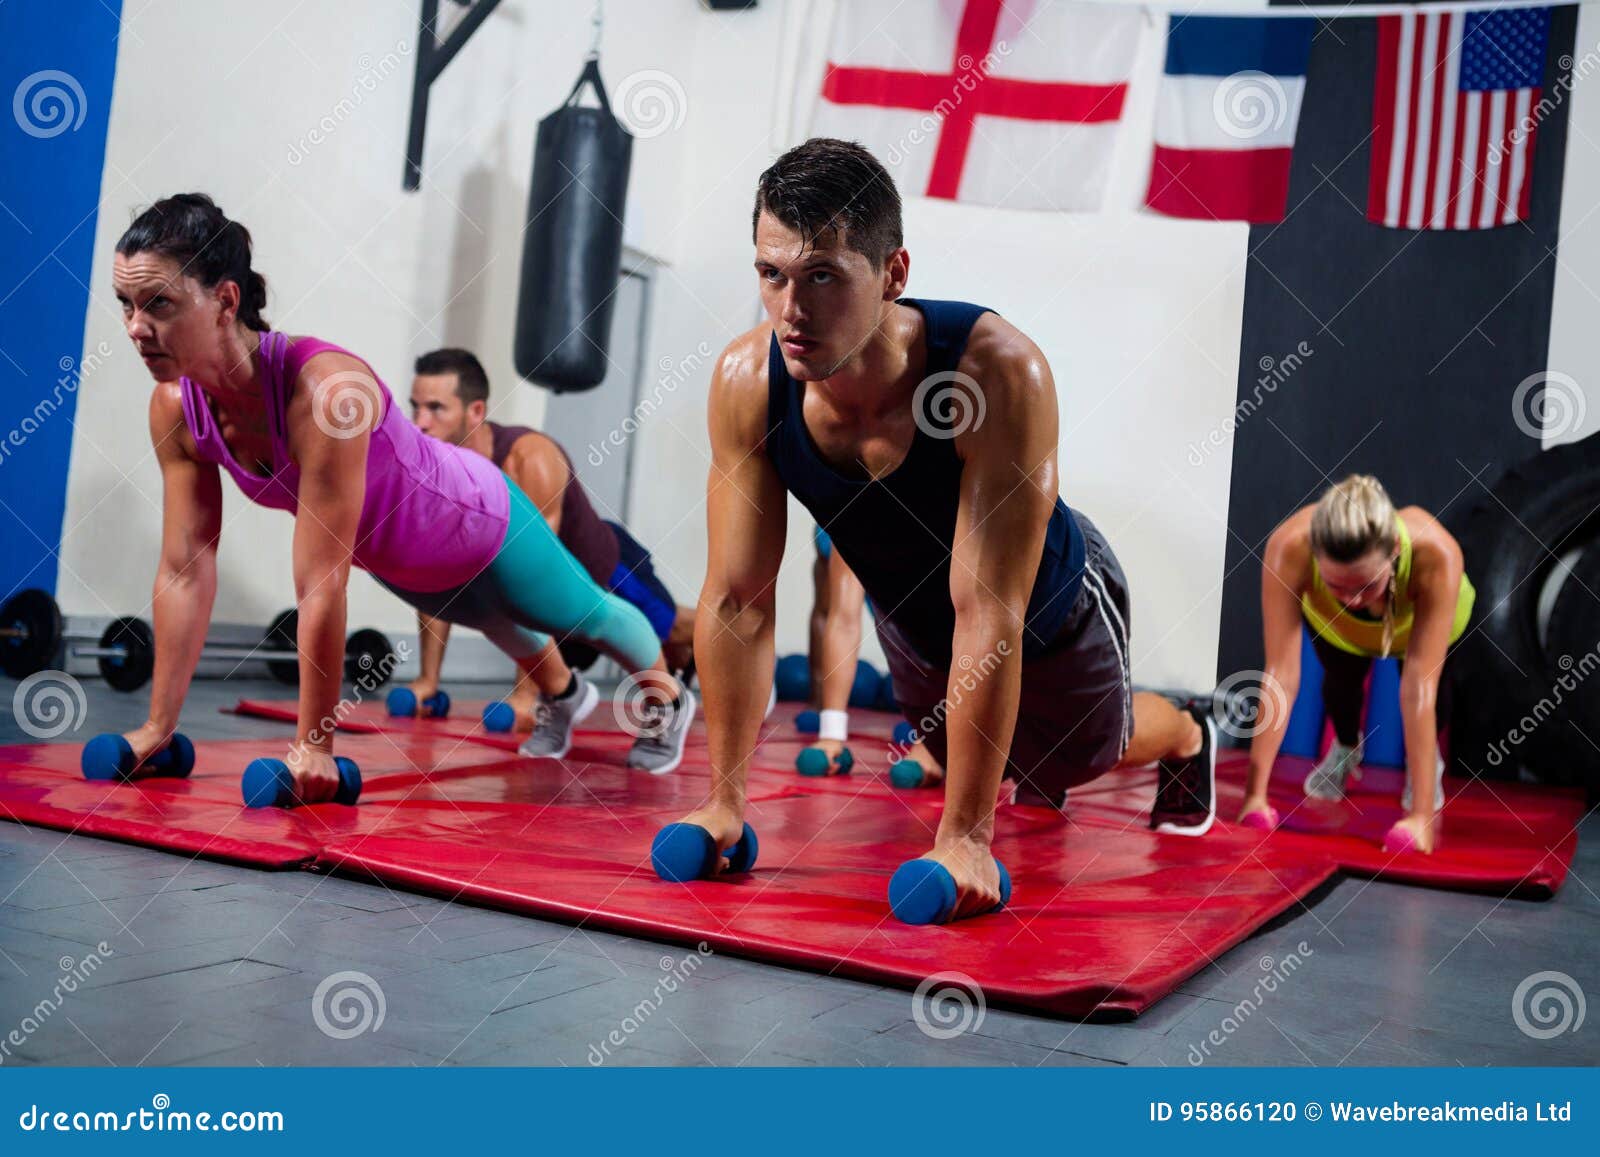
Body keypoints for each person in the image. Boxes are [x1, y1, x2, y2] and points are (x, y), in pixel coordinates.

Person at [667, 139, 1217, 922]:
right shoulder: (747, 384)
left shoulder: (992, 371)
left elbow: (991, 612)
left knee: (1068, 760)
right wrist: (724, 804)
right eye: (771, 274)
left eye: (823, 275)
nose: (791, 309)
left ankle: (1188, 731)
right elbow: (736, 601)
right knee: (984, 753)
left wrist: (966, 838)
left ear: (893, 274)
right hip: (916, 619)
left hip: (1047, 605)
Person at [106, 194, 695, 800]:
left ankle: (666, 697)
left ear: (225, 300)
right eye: (125, 304)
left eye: (159, 304)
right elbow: (186, 567)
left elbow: (319, 584)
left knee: (584, 615)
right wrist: (158, 728)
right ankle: (565, 696)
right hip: (397, 558)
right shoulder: (176, 408)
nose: (135, 328)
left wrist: (315, 746)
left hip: (478, 517)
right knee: (497, 623)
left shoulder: (327, 392)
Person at [404, 348, 696, 749]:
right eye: (415, 407)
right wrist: (427, 683)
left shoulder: (530, 458)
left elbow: (536, 580)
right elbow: (438, 581)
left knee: (677, 632)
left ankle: (743, 650)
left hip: (604, 570)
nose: (419, 423)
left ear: (475, 411)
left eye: (436, 409)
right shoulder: (434, 474)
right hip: (556, 602)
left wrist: (527, 693)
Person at [1238, 475, 1475, 853]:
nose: (1352, 598)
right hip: (1339, 630)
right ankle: (1347, 749)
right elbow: (1280, 676)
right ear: (1315, 555)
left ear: (1395, 549)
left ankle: (1426, 768)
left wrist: (1419, 820)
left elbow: (1419, 687)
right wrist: (1254, 797)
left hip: (1417, 621)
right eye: (1338, 585)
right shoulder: (1290, 546)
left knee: (1435, 701)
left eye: (1365, 586)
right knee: (1339, 686)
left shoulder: (1437, 552)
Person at [802, 526, 945, 786]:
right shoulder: (853, 514)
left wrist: (932, 737)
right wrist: (831, 733)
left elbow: (951, 623)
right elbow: (843, 619)